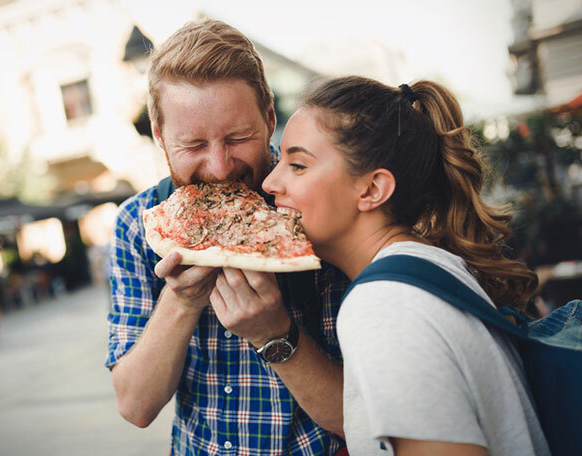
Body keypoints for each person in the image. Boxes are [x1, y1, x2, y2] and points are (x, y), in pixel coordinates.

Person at [251, 75, 550, 455]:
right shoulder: (428, 267)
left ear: (373, 189)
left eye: (297, 165)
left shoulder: (383, 306)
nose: (270, 181)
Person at [106, 19, 349, 456]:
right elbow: (136, 405)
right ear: (160, 137)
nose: (219, 168)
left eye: (237, 138)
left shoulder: (317, 205)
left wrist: (275, 333)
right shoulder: (136, 222)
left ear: (270, 117)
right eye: (194, 145)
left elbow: (360, 416)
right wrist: (180, 301)